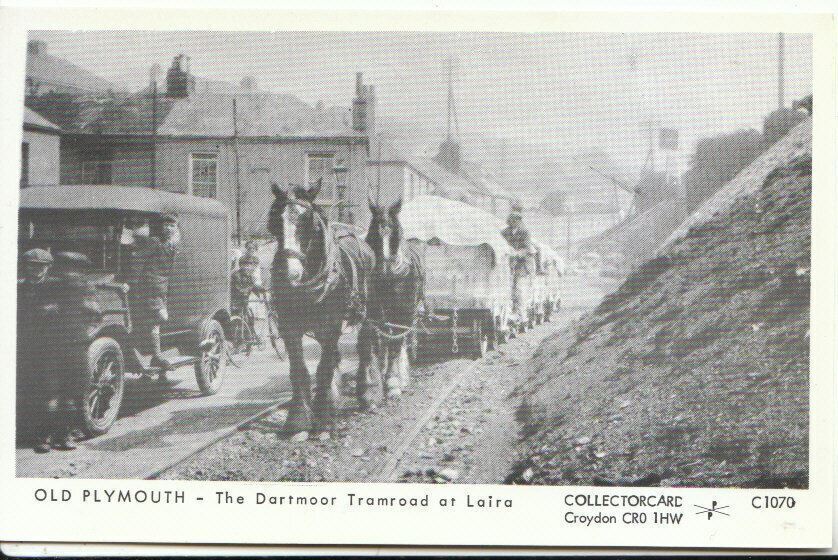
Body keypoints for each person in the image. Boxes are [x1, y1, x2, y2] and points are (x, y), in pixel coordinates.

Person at [123, 213, 179, 373]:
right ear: (161, 227)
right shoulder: (155, 242)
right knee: (160, 317)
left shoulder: (172, 244)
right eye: (166, 225)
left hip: (161, 288)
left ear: (176, 228)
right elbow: (137, 260)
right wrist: (130, 282)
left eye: (172, 226)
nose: (168, 228)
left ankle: (154, 355)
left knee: (153, 322)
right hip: (149, 287)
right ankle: (155, 355)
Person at [501, 209, 535, 319]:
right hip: (509, 263)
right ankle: (509, 310)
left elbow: (527, 248)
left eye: (515, 220)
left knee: (519, 288)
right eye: (511, 220)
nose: (512, 222)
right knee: (507, 287)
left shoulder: (525, 232)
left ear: (519, 221)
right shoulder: (505, 232)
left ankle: (521, 314)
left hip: (522, 264)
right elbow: (501, 243)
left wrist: (517, 253)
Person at [231, 253, 265, 339]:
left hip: (244, 303)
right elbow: (240, 290)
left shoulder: (250, 276)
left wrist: (263, 290)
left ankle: (251, 334)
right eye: (245, 265)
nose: (247, 267)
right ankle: (240, 339)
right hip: (235, 302)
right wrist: (251, 287)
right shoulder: (236, 275)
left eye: (249, 265)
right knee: (241, 320)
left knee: (250, 317)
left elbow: (254, 287)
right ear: (240, 265)